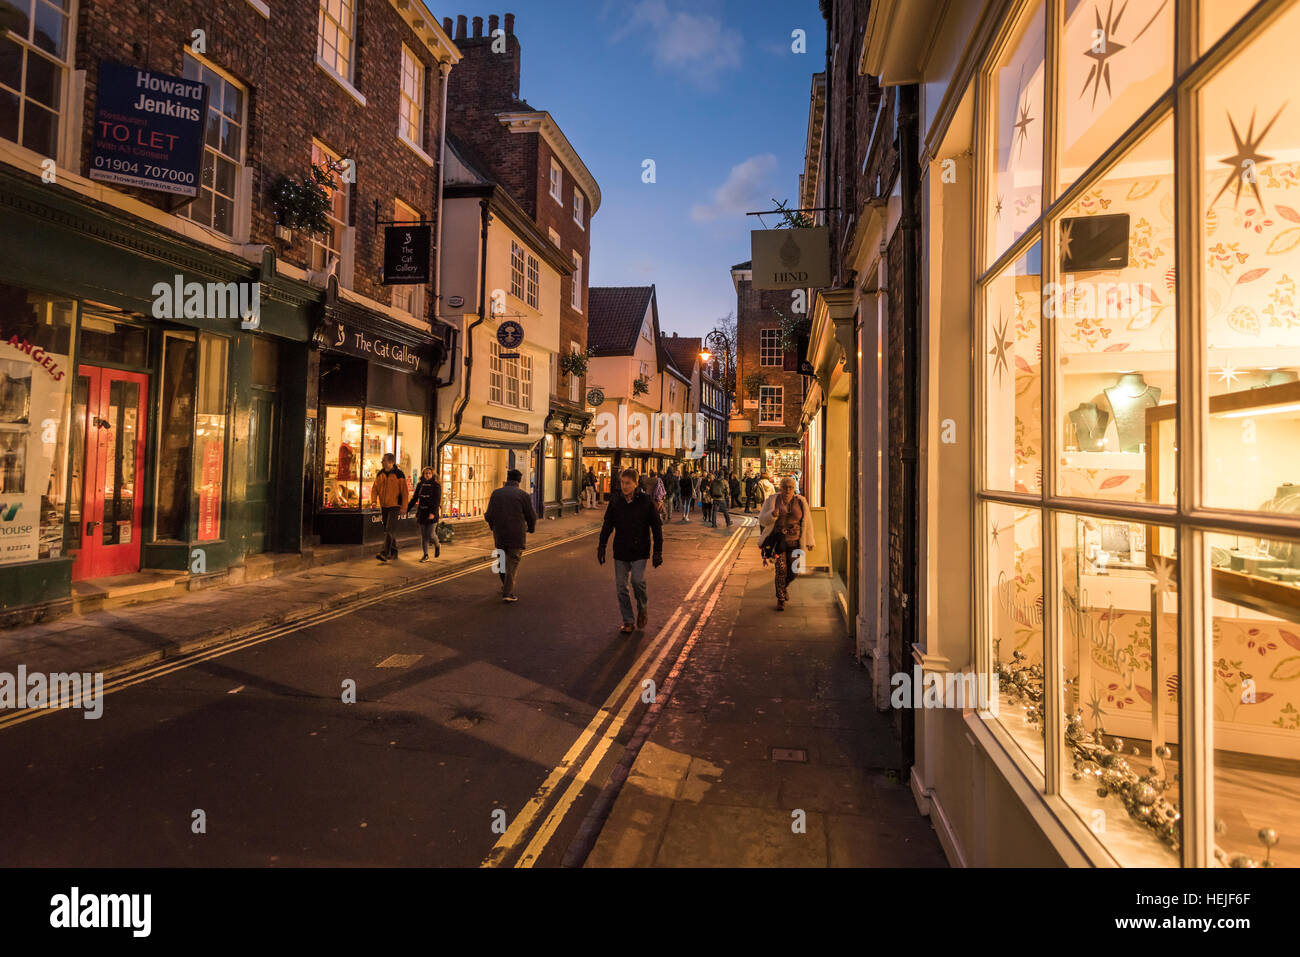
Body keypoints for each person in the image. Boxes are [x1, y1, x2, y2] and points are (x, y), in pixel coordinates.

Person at [597, 468, 664, 633]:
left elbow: (656, 528)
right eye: (622, 482)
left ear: (635, 484)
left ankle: (642, 607)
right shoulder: (616, 501)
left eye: (628, 483)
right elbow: (607, 525)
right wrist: (602, 546)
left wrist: (657, 552)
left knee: (637, 581)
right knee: (621, 587)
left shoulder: (646, 501)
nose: (624, 486)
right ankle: (628, 621)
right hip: (621, 549)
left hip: (640, 548)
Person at [759, 476, 816, 610]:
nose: (787, 490)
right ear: (780, 488)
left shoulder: (801, 501)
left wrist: (809, 540)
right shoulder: (772, 500)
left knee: (795, 571)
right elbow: (762, 520)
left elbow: (808, 522)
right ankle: (780, 599)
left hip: (796, 542)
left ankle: (783, 588)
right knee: (781, 569)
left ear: (794, 488)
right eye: (785, 487)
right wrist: (772, 514)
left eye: (790, 487)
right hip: (779, 542)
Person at [484, 468, 537, 602]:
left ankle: (504, 586)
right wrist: (531, 528)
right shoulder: (523, 495)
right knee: (512, 563)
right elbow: (531, 516)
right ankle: (507, 593)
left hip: (500, 534)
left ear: (507, 479)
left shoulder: (496, 494)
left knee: (502, 561)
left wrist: (493, 527)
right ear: (519, 481)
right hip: (516, 534)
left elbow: (489, 515)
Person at [371, 452, 409, 562]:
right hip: (384, 506)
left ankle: (384, 553)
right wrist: (374, 501)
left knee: (389, 529)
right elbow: (374, 489)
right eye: (382, 460)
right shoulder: (380, 474)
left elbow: (405, 492)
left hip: (395, 506)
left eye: (384, 460)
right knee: (388, 530)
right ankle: (394, 551)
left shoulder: (399, 474)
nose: (382, 462)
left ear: (391, 462)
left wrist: (404, 507)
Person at [408, 467, 442, 561]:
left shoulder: (436, 485)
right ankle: (425, 555)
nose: (427, 475)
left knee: (431, 534)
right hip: (422, 513)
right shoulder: (420, 485)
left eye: (429, 473)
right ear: (423, 474)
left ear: (432, 474)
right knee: (424, 536)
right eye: (425, 473)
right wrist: (407, 509)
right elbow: (414, 498)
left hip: (432, 513)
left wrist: (432, 513)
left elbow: (437, 501)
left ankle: (437, 544)